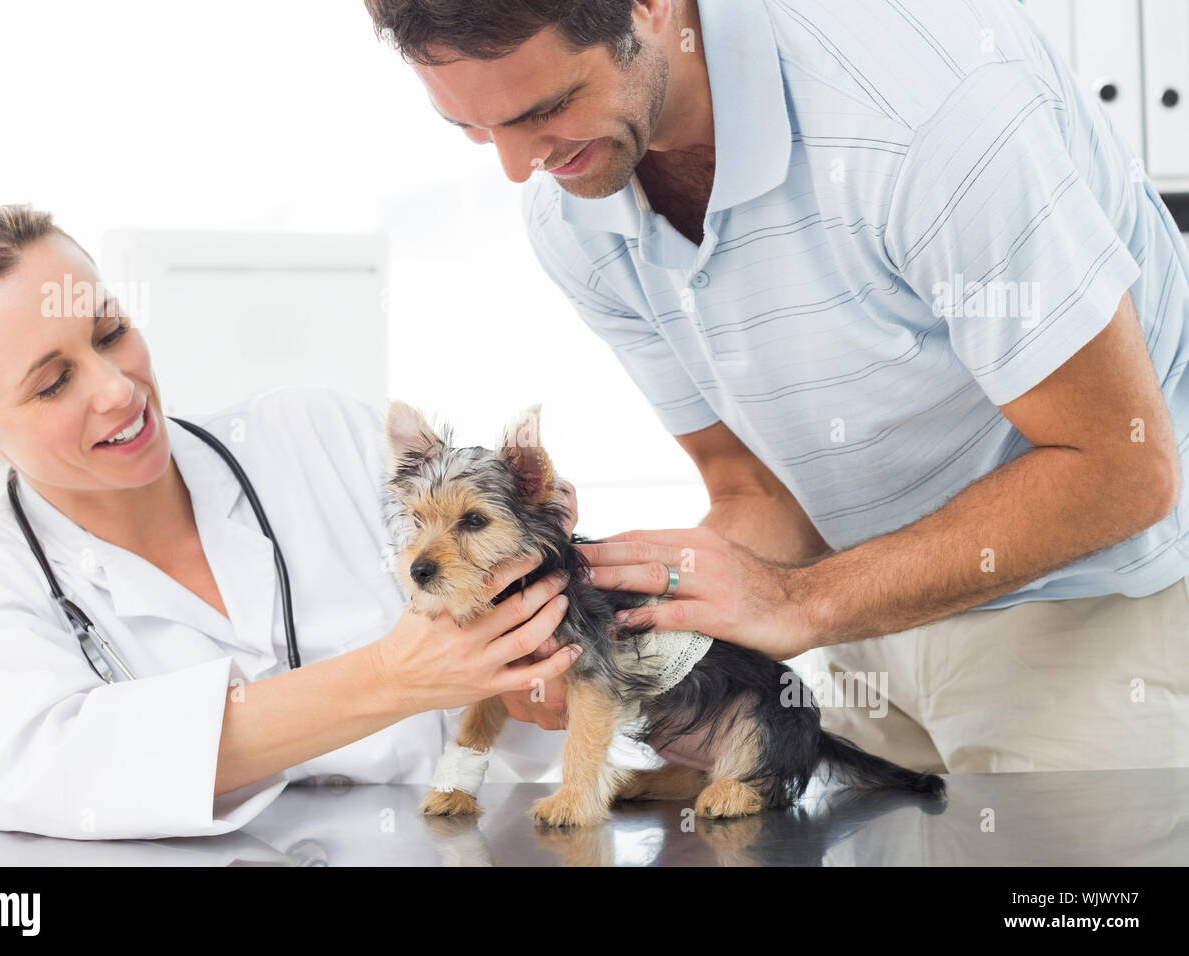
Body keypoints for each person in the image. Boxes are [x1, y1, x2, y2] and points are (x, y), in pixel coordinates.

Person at [365, 0, 1189, 772]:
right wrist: (630, 637)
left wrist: (801, 604)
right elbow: (756, 489)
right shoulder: (578, 207)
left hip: (1103, 614)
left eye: (544, 108)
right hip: (870, 625)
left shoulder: (924, 112)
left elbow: (1123, 467)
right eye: (473, 128)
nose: (519, 167)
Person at [0, 204, 581, 840]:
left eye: (111, 332)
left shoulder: (318, 438)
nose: (117, 387)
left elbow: (530, 704)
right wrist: (391, 677)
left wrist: (545, 642)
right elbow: (45, 767)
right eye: (52, 383)